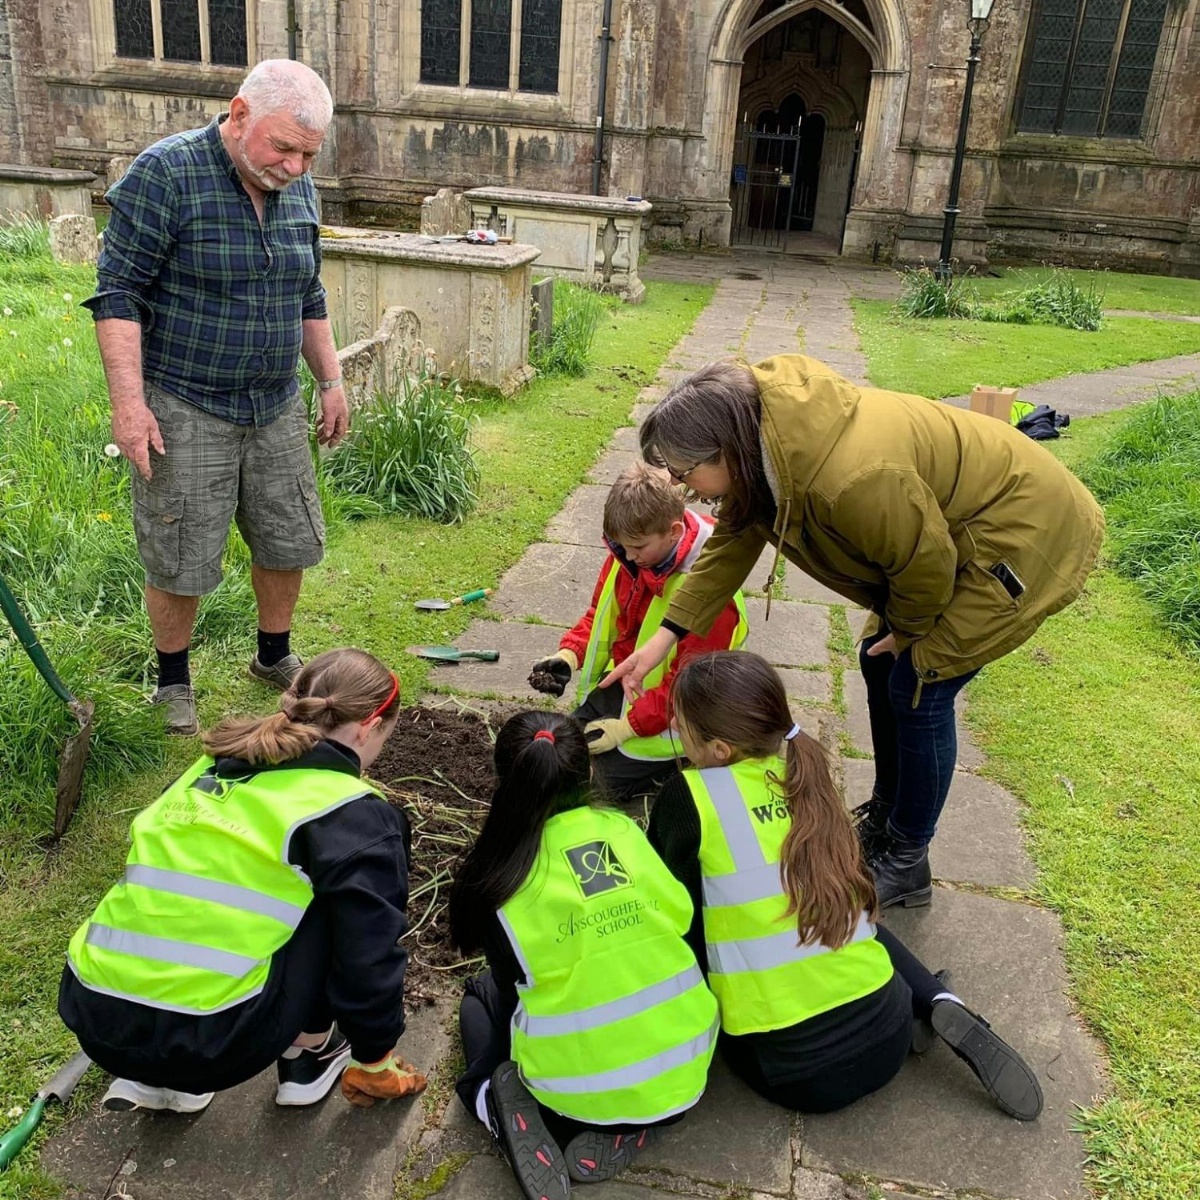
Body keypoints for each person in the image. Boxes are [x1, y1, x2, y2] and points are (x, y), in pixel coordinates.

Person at [605, 356, 1104, 907]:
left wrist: (908, 631)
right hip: (946, 536)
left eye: (684, 473)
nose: (685, 489)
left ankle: (907, 857)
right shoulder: (763, 446)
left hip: (1024, 532)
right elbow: (734, 540)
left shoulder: (851, 479)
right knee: (877, 659)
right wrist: (663, 638)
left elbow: (926, 565)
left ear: (723, 450)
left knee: (919, 686)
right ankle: (887, 818)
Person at [649, 650, 1043, 1120]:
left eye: (682, 725)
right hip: (889, 1028)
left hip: (800, 1075)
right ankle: (935, 999)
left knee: (704, 917)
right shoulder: (806, 779)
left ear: (719, 750)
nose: (675, 727)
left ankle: (919, 1002)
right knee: (844, 908)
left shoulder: (688, 796)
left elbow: (667, 908)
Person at [84, 59, 351, 736]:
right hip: (185, 401)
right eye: (283, 148)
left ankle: (273, 654)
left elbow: (307, 290)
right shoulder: (166, 173)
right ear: (238, 115)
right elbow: (117, 294)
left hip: (275, 403)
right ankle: (172, 681)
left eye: (309, 155)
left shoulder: (299, 187)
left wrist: (330, 380)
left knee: (288, 536)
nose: (295, 167)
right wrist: (129, 406)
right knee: (180, 551)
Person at [58, 648, 428, 1114]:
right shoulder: (352, 812)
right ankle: (309, 1054)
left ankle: (158, 1080)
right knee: (338, 906)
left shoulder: (205, 769)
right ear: (368, 728)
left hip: (97, 1017)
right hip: (215, 1043)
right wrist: (374, 1056)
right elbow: (369, 954)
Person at [447, 711, 719, 1200]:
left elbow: (511, 991)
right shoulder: (624, 830)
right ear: (590, 771)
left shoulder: (501, 873)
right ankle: (645, 1117)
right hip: (690, 1061)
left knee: (478, 1000)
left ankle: (491, 1101)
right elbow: (679, 917)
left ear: (506, 781)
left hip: (572, 1091)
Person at [528, 463, 748, 802]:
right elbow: (600, 616)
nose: (628, 556)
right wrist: (569, 656)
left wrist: (627, 729)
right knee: (560, 749)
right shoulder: (630, 552)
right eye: (620, 546)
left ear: (674, 532)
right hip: (631, 685)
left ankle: (682, 763)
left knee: (587, 787)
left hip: (681, 715)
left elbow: (690, 686)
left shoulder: (710, 591)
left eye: (638, 547)